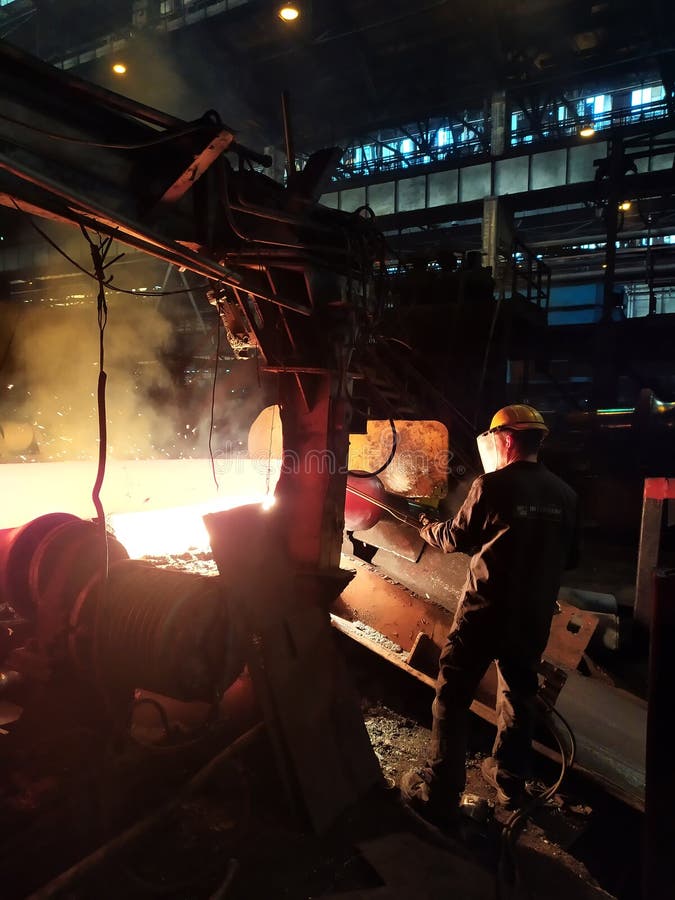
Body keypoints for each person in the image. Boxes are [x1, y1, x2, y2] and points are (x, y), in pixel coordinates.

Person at [400, 404, 579, 828]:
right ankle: (509, 782)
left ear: (507, 440)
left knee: (452, 695)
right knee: (518, 696)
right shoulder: (567, 496)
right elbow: (570, 559)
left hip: (484, 612)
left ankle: (439, 790)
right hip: (531, 618)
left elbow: (455, 538)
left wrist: (426, 525)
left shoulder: (491, 485)